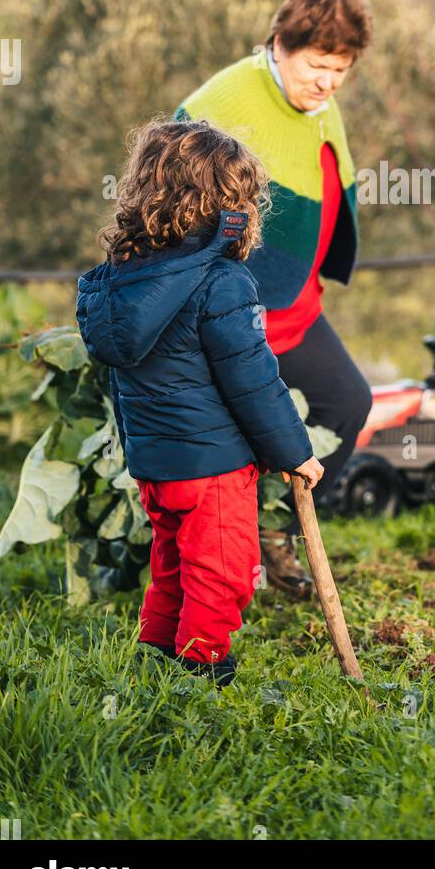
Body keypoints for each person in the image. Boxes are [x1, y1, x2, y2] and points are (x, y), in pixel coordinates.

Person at [76, 118, 325, 687]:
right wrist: (295, 452)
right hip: (211, 467)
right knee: (223, 570)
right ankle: (201, 663)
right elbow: (253, 382)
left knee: (172, 564)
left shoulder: (122, 280)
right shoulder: (221, 284)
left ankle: (156, 652)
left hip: (156, 467)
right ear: (226, 207)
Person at [175, 0, 374, 600]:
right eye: (318, 65)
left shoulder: (319, 106)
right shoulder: (228, 98)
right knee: (231, 442)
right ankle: (214, 571)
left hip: (297, 310)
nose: (328, 83)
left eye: (340, 71)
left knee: (350, 404)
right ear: (281, 45)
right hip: (235, 320)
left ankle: (279, 533)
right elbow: (170, 197)